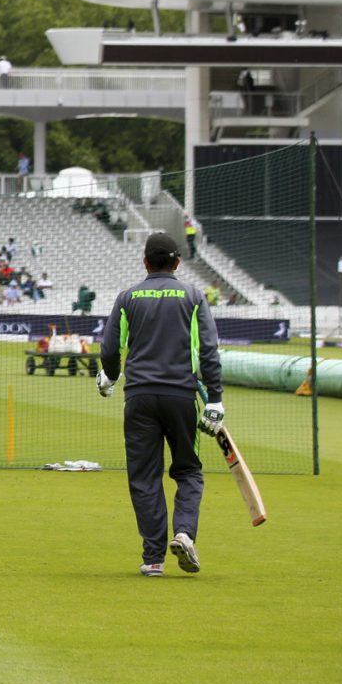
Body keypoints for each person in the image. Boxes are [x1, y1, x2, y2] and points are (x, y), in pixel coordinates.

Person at [96, 232, 223, 577]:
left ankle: (153, 558)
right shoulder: (194, 296)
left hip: (138, 397)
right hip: (182, 395)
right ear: (178, 262)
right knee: (188, 470)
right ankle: (183, 533)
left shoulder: (128, 297)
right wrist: (216, 399)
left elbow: (109, 350)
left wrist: (109, 376)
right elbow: (208, 350)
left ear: (145, 262)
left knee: (144, 476)